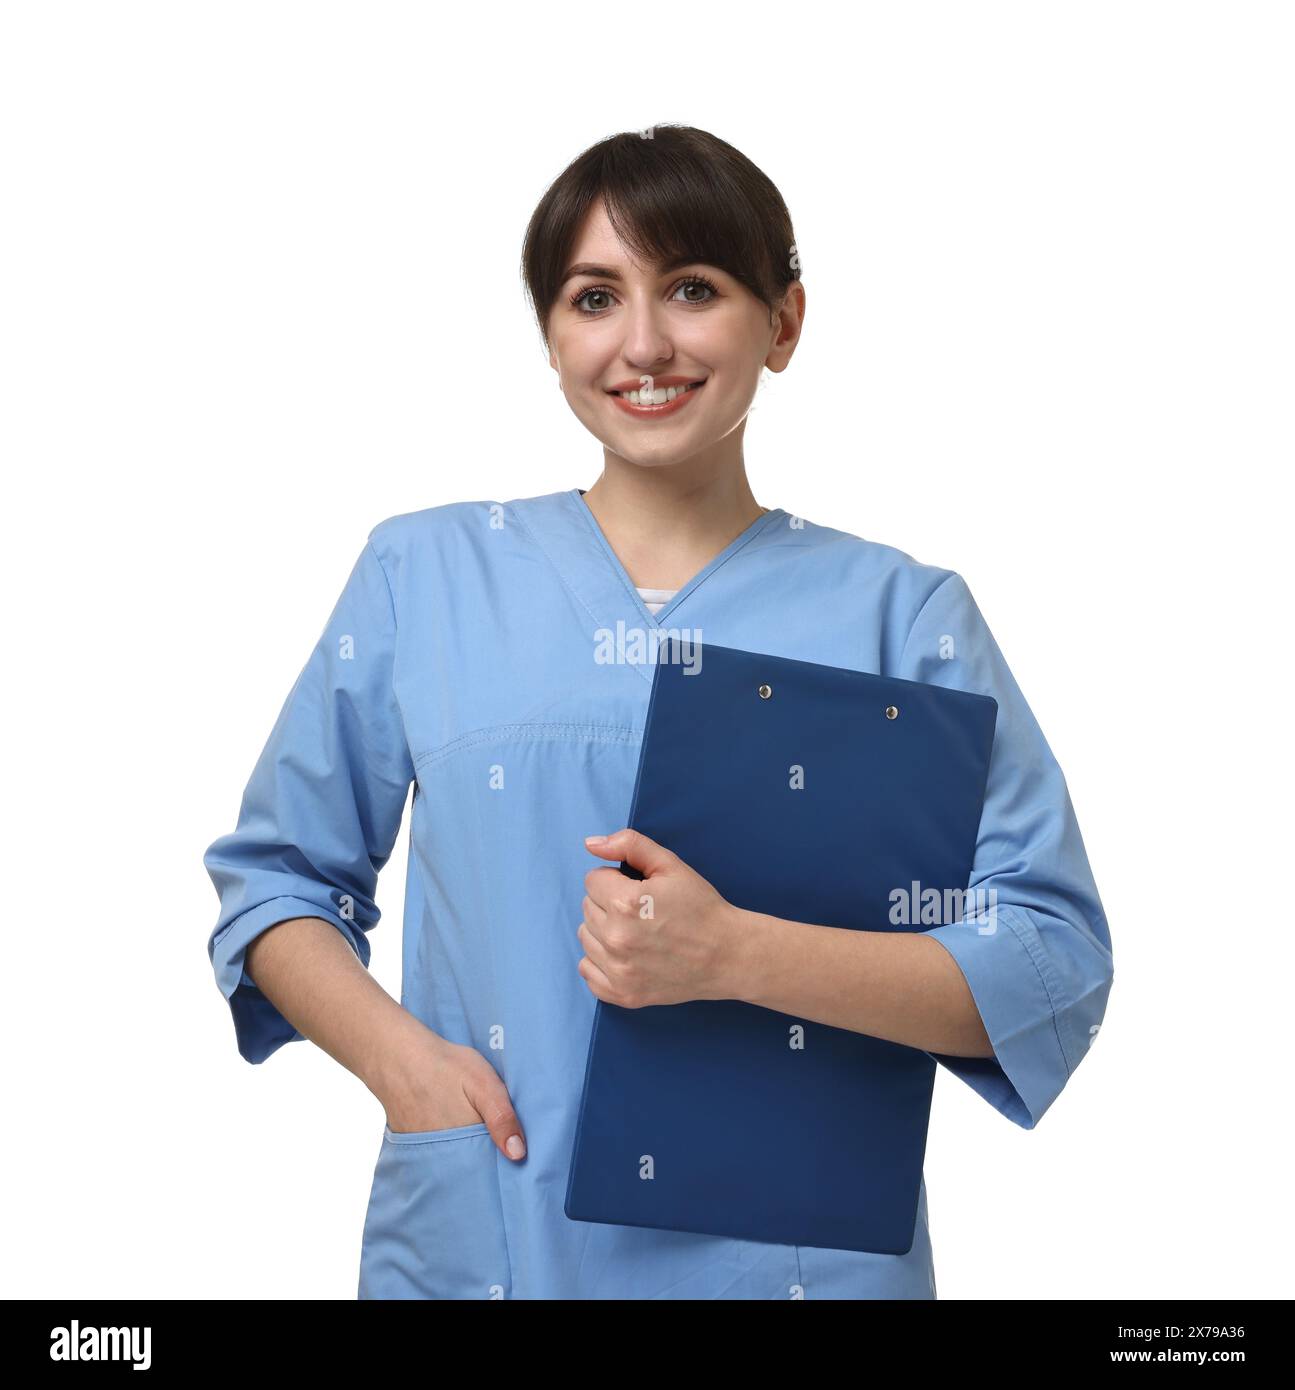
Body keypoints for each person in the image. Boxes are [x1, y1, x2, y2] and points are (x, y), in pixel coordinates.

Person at [203, 124, 1114, 1300]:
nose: (642, 344)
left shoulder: (901, 615)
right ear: (549, 333)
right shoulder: (423, 576)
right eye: (593, 297)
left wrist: (736, 953)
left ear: (782, 322)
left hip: (802, 1268)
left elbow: (1049, 958)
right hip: (493, 1233)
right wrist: (407, 1069)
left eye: (692, 288)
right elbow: (276, 885)